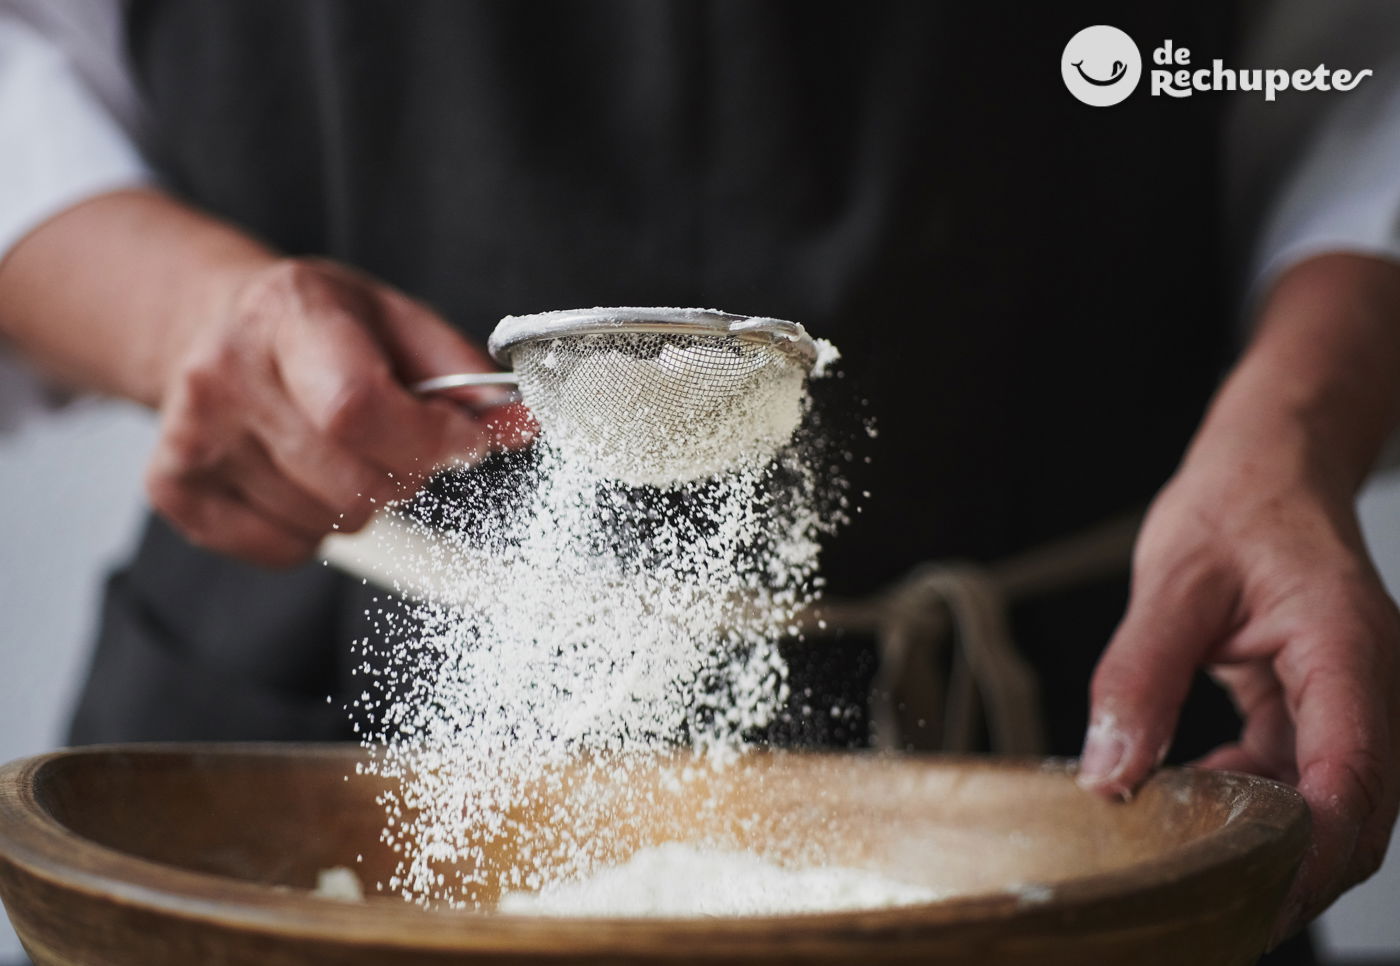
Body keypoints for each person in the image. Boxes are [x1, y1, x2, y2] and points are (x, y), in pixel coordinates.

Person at [1, 3, 1398, 962]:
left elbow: (1352, 76)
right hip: (315, 723)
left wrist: (1296, 425)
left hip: (1076, 746)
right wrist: (188, 316)